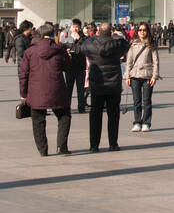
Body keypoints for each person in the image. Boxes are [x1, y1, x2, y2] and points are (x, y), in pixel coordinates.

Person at [19, 23, 72, 156]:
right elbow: (67, 67)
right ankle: (62, 146)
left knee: (38, 119)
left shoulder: (30, 51)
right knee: (64, 116)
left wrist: (23, 94)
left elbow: (23, 74)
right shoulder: (60, 49)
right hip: (57, 89)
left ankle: (43, 149)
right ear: (53, 35)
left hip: (36, 91)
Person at [82, 22, 129, 151]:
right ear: (110, 32)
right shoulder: (117, 44)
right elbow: (125, 44)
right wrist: (115, 36)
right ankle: (113, 143)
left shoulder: (91, 45)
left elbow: (83, 46)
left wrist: (94, 36)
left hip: (97, 83)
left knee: (95, 115)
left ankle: (94, 145)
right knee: (113, 115)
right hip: (113, 84)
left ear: (98, 31)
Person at [125, 22, 160, 133]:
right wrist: (127, 76)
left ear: (147, 31)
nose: (142, 32)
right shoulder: (133, 44)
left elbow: (156, 61)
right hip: (135, 75)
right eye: (140, 30)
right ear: (137, 31)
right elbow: (129, 61)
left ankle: (146, 122)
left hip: (147, 75)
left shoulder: (151, 44)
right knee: (136, 101)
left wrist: (155, 76)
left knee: (147, 100)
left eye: (144, 30)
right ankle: (137, 122)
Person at [63, 19, 88, 113]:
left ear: (80, 27)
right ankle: (66, 107)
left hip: (80, 67)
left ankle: (81, 107)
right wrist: (73, 41)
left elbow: (82, 49)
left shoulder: (84, 38)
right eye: (73, 26)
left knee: (81, 89)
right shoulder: (66, 37)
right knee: (68, 89)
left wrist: (78, 39)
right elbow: (64, 47)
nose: (75, 28)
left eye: (77, 26)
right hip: (69, 67)